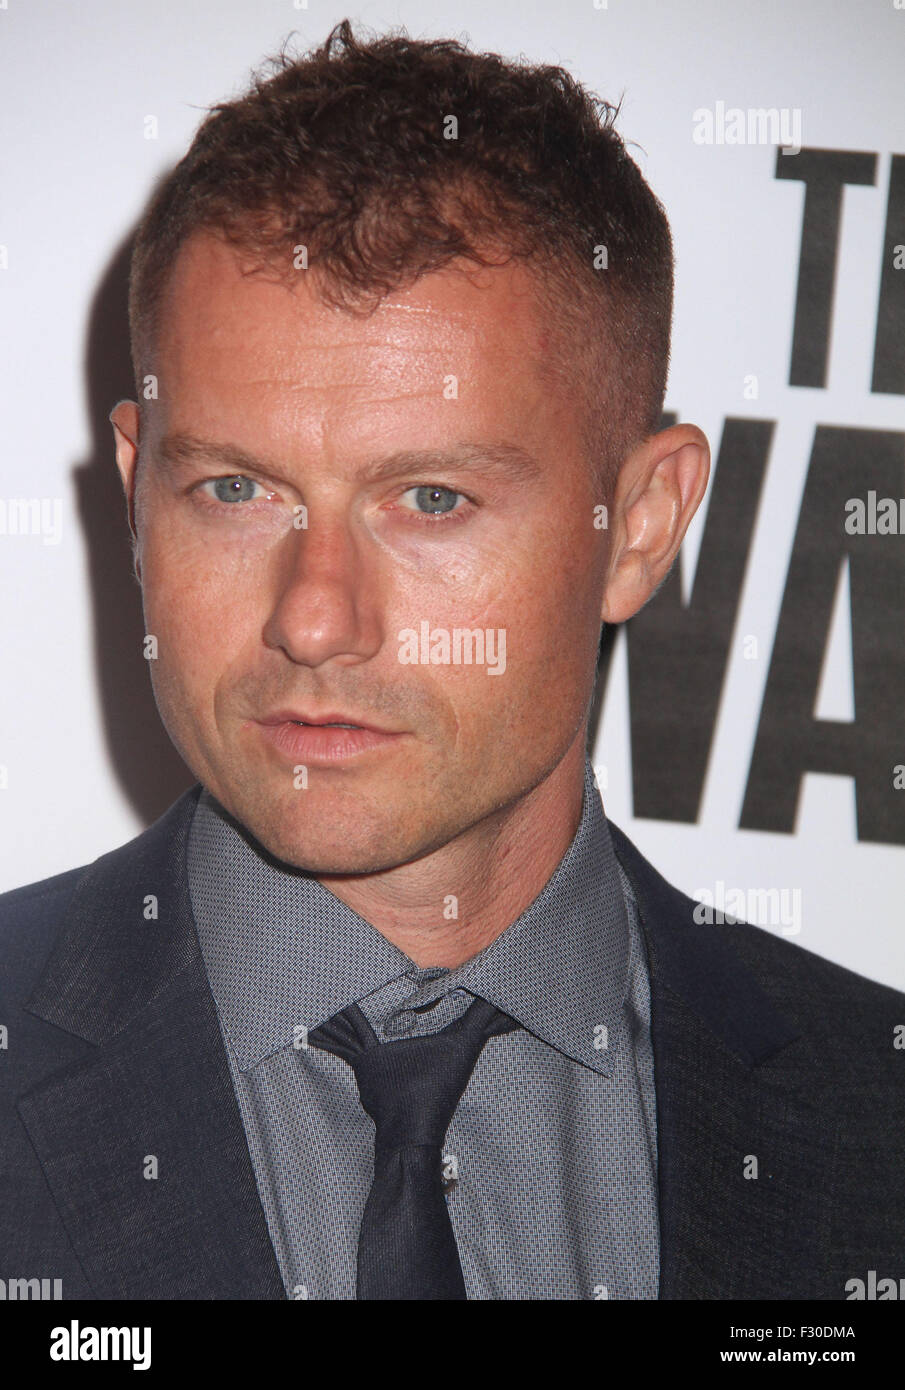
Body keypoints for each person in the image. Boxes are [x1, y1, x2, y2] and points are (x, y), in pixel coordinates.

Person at [1, 19, 902, 1302]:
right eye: (237, 488)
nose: (314, 622)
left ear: (637, 525)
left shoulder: (875, 1113)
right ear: (139, 488)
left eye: (428, 500)